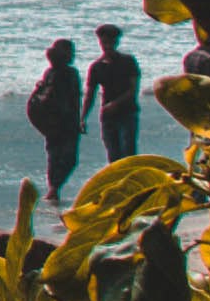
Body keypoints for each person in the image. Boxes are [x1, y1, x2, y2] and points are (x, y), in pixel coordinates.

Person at [27, 39, 86, 203]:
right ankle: (54, 188)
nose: (73, 55)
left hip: (51, 122)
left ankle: (54, 188)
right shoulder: (70, 73)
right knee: (69, 158)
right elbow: (75, 100)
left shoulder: (50, 72)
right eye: (71, 52)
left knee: (54, 155)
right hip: (66, 121)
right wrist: (80, 119)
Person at [86, 22, 143, 164]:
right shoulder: (96, 67)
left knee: (128, 151)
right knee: (113, 154)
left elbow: (133, 90)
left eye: (111, 42)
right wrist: (83, 117)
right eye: (104, 42)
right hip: (108, 115)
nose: (107, 46)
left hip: (128, 112)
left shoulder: (128, 61)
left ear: (116, 42)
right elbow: (90, 94)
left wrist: (115, 104)